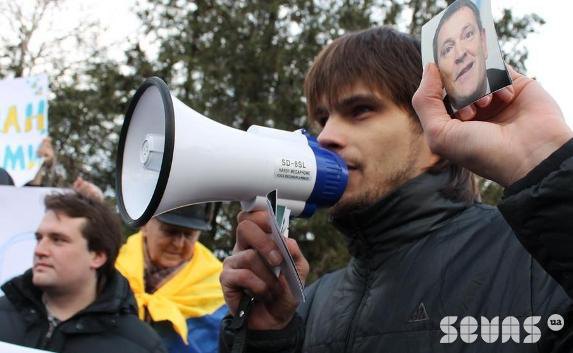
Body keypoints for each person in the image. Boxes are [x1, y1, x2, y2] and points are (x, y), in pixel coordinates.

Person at [218, 27, 573, 352]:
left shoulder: (537, 259)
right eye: (322, 119)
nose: (325, 137)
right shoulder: (312, 302)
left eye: (360, 110)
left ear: (435, 131)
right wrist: (267, 335)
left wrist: (551, 170)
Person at [0, 192, 166, 353]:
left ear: (98, 256)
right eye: (39, 238)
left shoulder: (140, 346)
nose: (40, 250)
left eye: (58, 240)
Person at [116, 204, 227, 353]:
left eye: (188, 235)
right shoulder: (110, 268)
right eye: (170, 231)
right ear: (144, 225)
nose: (178, 244)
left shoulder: (219, 287)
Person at [432, 0, 510, 110]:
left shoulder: (510, 85)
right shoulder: (436, 113)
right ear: (438, 72)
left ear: (483, 42)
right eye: (448, 49)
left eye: (468, 35)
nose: (460, 54)